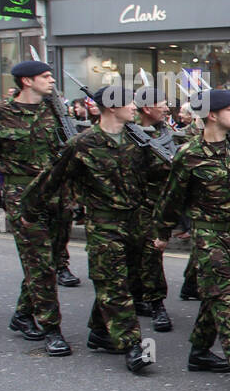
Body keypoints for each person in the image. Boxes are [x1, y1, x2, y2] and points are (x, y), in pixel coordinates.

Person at [20, 86, 154, 373]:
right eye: (129, 102)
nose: (134, 106)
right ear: (111, 108)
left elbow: (160, 176)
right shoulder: (82, 143)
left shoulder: (138, 140)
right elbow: (50, 178)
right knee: (114, 282)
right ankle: (132, 345)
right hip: (104, 223)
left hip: (135, 221)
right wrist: (28, 211)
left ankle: (100, 330)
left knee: (126, 280)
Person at [152, 90, 230, 391]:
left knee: (220, 296)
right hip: (208, 235)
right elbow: (171, 198)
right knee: (226, 301)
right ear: (212, 115)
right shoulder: (190, 153)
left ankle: (200, 352)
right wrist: (162, 233)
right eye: (229, 109)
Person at [0, 60, 70, 356]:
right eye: (44, 77)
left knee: (49, 258)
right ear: (26, 81)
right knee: (40, 262)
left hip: (57, 192)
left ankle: (23, 314)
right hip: (21, 194)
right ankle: (51, 328)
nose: (51, 81)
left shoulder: (56, 110)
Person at [129, 87, 175, 333]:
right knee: (136, 253)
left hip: (156, 205)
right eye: (162, 104)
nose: (167, 108)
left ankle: (154, 301)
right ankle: (144, 300)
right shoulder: (130, 132)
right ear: (147, 108)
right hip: (134, 203)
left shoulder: (164, 131)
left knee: (151, 253)